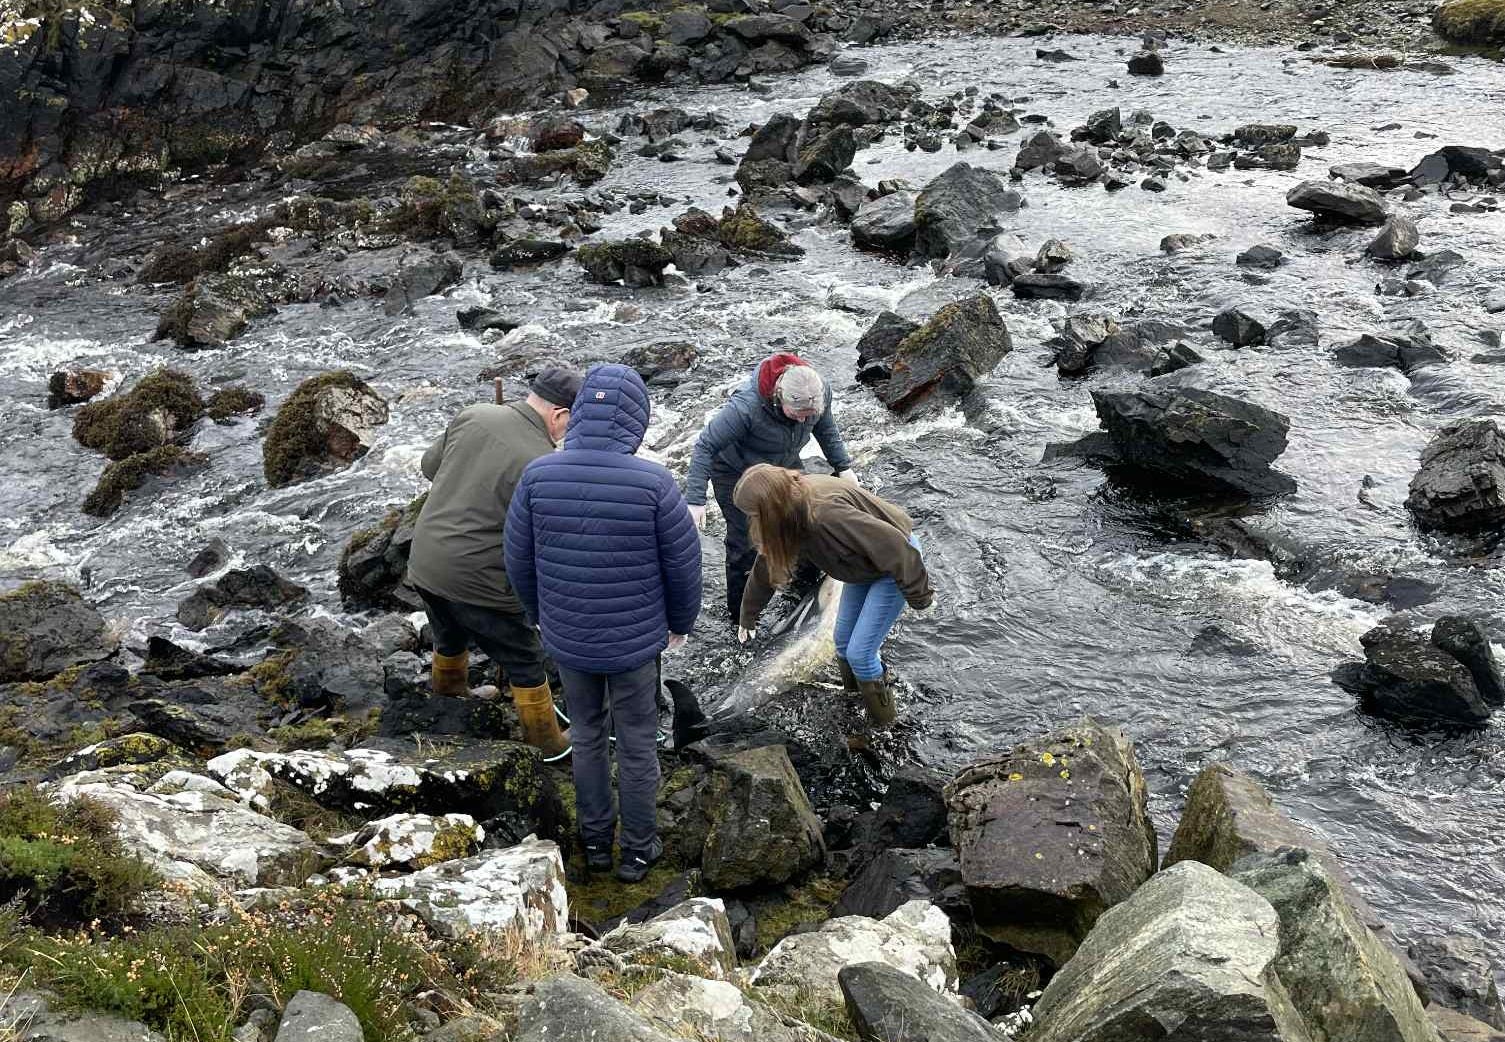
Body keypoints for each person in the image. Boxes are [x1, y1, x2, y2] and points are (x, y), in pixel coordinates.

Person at [505, 363, 701, 882]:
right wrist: (680, 624)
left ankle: (595, 844)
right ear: (635, 420)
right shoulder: (654, 482)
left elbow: (518, 560)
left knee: (587, 736)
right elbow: (684, 564)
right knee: (637, 742)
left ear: (582, 413)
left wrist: (538, 616)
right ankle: (637, 853)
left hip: (569, 639)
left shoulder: (538, 474)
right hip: (636, 644)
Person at [406, 364, 583, 759]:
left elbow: (429, 467)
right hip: (477, 580)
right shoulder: (542, 462)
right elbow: (543, 537)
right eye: (572, 422)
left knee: (448, 631)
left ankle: (450, 690)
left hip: (424, 563)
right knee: (524, 655)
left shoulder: (473, 415)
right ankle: (545, 741)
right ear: (561, 414)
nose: (568, 434)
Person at [732, 464, 932, 727]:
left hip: (892, 567)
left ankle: (885, 727)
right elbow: (765, 567)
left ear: (771, 507)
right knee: (842, 644)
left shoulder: (826, 514)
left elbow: (897, 548)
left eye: (755, 514)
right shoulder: (788, 512)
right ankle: (856, 704)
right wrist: (748, 617)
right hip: (859, 568)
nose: (752, 521)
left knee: (861, 653)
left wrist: (921, 597)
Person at [683, 353, 854, 624]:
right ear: (779, 398)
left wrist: (843, 467)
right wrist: (695, 500)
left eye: (808, 416)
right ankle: (740, 618)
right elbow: (705, 446)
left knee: (804, 520)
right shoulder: (745, 408)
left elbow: (827, 430)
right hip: (735, 473)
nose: (802, 421)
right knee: (748, 544)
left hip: (782, 466)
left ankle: (802, 590)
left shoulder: (820, 391)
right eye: (797, 414)